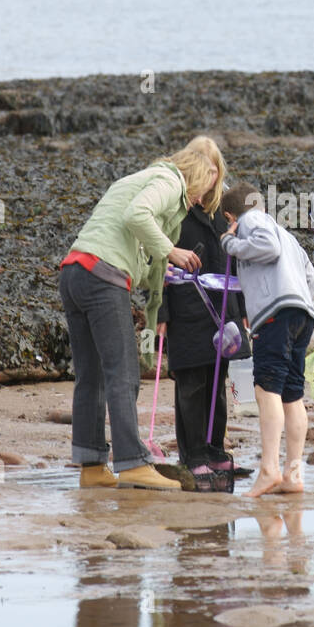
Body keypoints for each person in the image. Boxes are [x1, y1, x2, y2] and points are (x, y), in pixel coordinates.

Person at [59, 138, 224, 490]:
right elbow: (138, 216)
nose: (196, 201)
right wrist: (172, 251)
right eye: (200, 193)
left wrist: (160, 270)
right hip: (104, 276)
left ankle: (91, 465)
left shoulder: (139, 178)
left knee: (91, 376)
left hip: (73, 271)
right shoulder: (169, 182)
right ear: (194, 178)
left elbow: (134, 237)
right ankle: (133, 463)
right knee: (123, 373)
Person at [220, 182, 314, 497]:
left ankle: (268, 470)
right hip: (303, 313)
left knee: (267, 388)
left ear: (228, 215)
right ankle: (293, 474)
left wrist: (230, 242)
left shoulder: (250, 222)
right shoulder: (286, 232)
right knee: (292, 394)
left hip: (276, 315)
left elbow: (266, 247)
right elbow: (312, 279)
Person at [157, 147, 250, 476]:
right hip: (185, 311)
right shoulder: (172, 211)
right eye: (205, 174)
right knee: (191, 383)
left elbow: (232, 265)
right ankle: (193, 453)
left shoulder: (221, 212)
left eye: (215, 173)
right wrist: (160, 313)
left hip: (222, 311)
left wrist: (241, 312)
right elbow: (158, 265)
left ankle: (215, 447)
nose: (211, 180)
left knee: (217, 382)